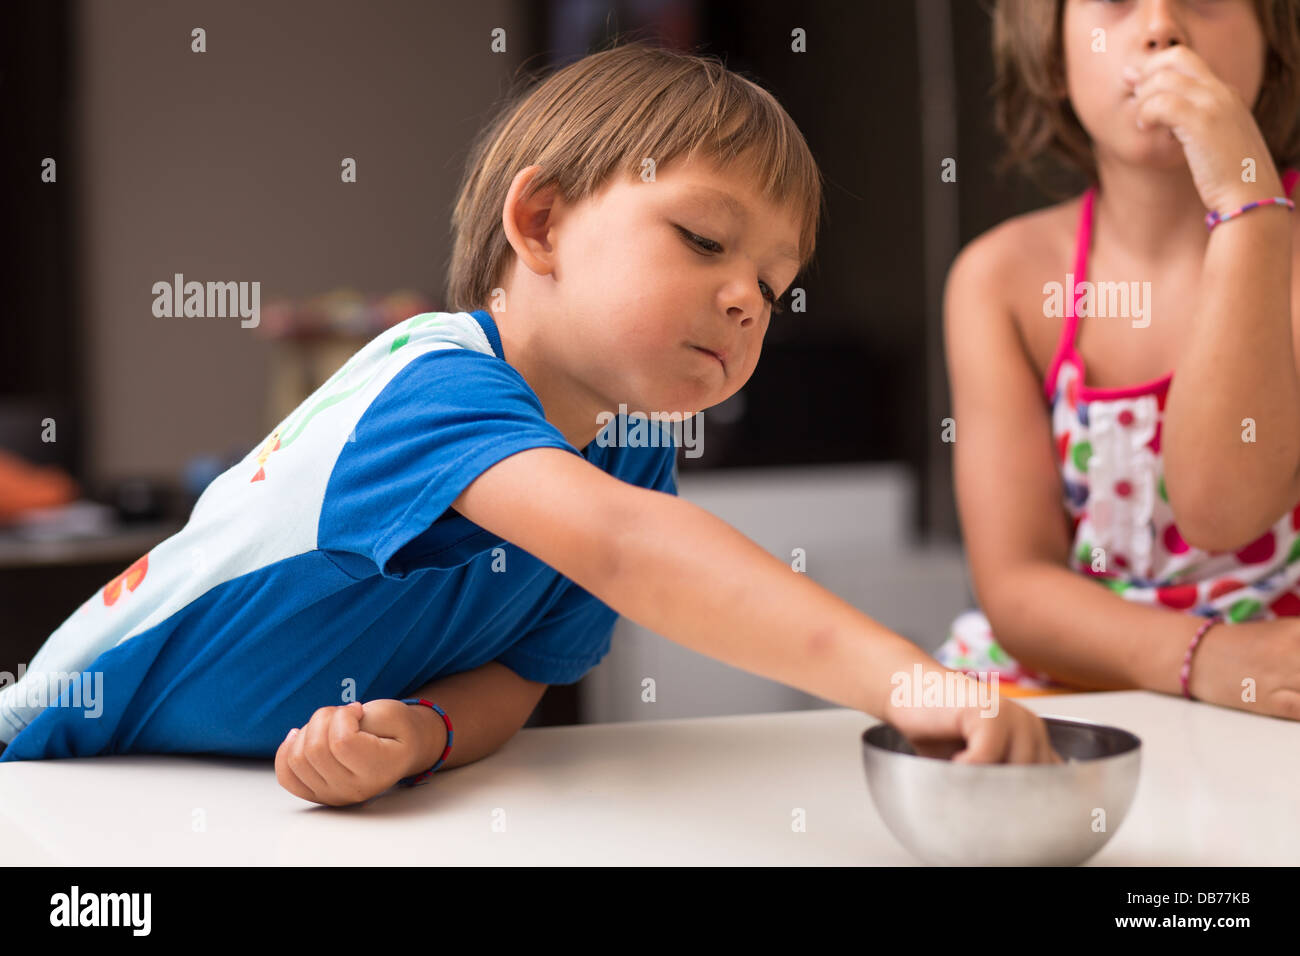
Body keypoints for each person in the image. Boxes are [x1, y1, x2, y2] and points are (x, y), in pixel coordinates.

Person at [0, 41, 1058, 805]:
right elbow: (635, 553)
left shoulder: (631, 449)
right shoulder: (430, 383)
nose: (747, 299)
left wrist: (423, 730)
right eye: (702, 239)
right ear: (540, 221)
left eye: (774, 286)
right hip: (63, 767)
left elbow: (522, 677)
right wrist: (910, 680)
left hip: (220, 801)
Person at [933, 0, 1300, 721]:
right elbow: (1017, 589)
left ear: (1275, 40)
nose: (1161, 26)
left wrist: (1246, 207)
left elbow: (1221, 510)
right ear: (1052, 53)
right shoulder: (1001, 279)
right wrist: (1206, 658)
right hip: (1071, 685)